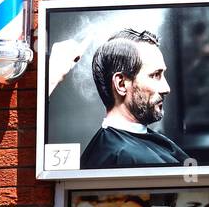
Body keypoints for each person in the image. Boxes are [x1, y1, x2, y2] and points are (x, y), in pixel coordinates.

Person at [80, 29, 190, 168]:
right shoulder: (123, 157)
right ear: (121, 84)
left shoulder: (129, 148)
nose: (166, 88)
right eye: (155, 75)